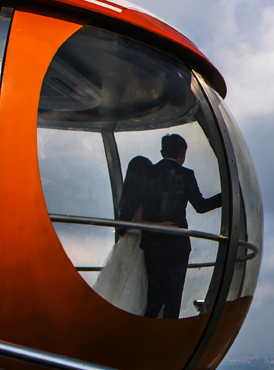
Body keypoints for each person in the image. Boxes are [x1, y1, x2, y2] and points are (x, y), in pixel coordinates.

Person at [141, 134, 221, 319]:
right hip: (176, 245)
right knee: (173, 298)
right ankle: (167, 337)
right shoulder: (186, 175)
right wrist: (226, 197)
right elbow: (201, 206)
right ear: (183, 153)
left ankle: (145, 335)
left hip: (152, 243)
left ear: (162, 152)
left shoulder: (149, 173)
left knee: (153, 297)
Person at [93, 156, 154, 314]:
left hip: (127, 244)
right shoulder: (142, 196)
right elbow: (136, 223)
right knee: (132, 284)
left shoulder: (128, 195)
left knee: (120, 282)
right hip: (137, 245)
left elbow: (124, 225)